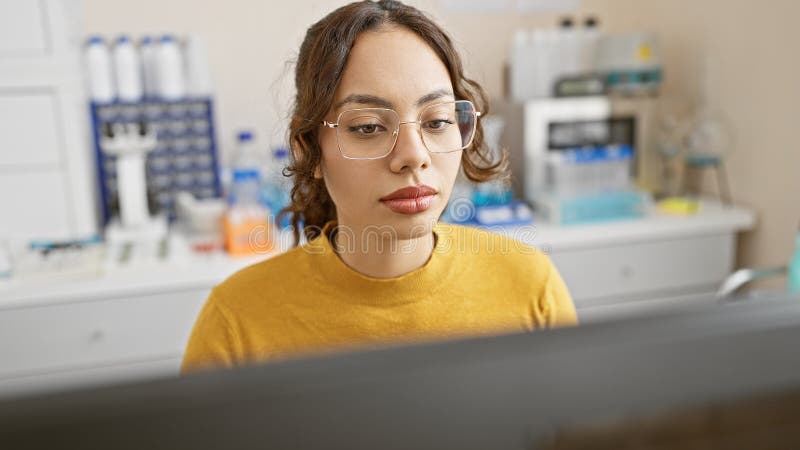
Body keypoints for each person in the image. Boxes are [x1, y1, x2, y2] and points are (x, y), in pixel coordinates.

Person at [180, 0, 577, 375]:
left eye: (437, 121)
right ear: (309, 152)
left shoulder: (530, 286)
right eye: (368, 127)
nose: (413, 156)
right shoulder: (236, 323)